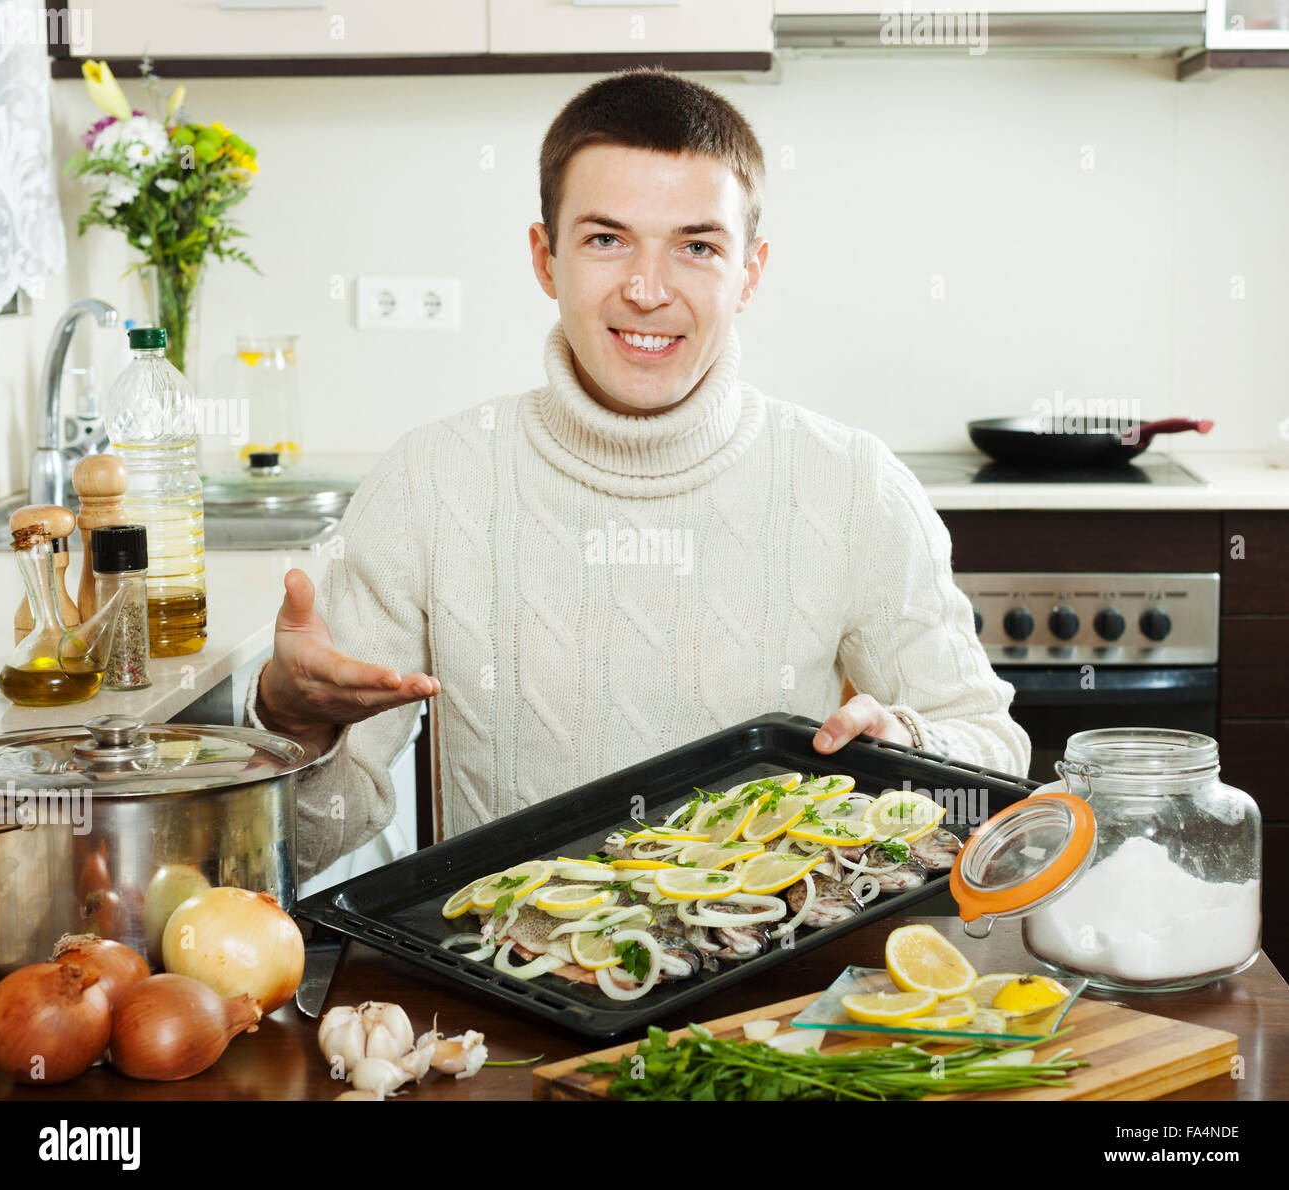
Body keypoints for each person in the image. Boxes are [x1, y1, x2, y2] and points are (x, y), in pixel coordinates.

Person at [246, 67, 1030, 882]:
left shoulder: (853, 486)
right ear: (546, 259)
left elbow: (998, 767)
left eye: (696, 247)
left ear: (749, 273)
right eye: (606, 239)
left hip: (769, 989)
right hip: (502, 979)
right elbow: (297, 850)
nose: (647, 290)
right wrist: (291, 723)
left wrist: (913, 747)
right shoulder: (429, 481)